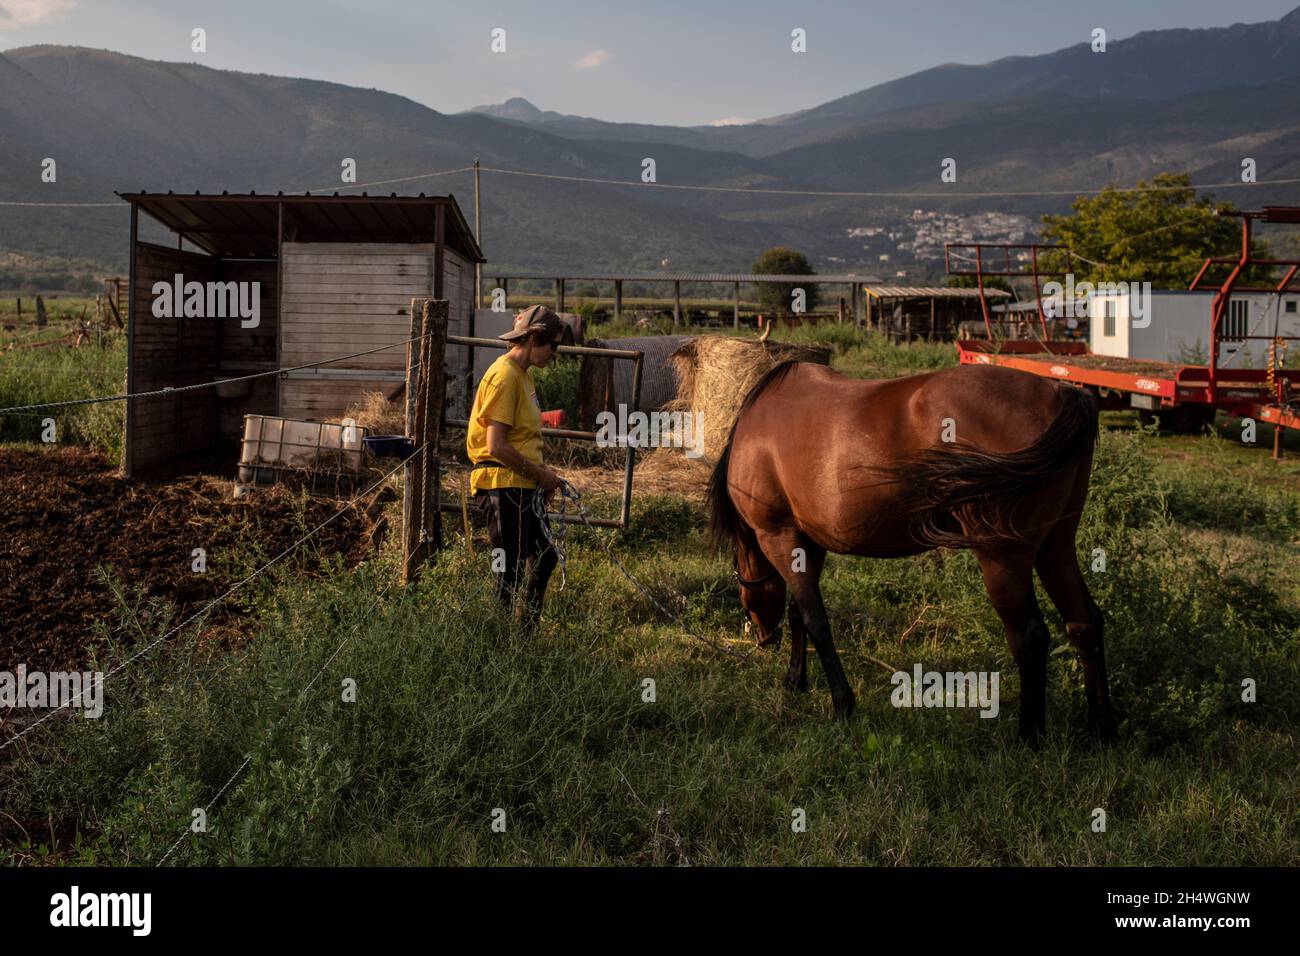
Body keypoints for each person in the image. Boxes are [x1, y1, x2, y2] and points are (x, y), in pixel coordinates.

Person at [466, 305, 567, 632]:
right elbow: (496, 445)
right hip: (501, 483)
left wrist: (541, 475)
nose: (555, 353)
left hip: (520, 484)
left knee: (543, 557)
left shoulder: (522, 376)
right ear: (535, 338)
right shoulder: (506, 376)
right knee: (508, 570)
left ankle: (523, 636)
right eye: (553, 345)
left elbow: (519, 437)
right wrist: (541, 476)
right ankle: (495, 645)